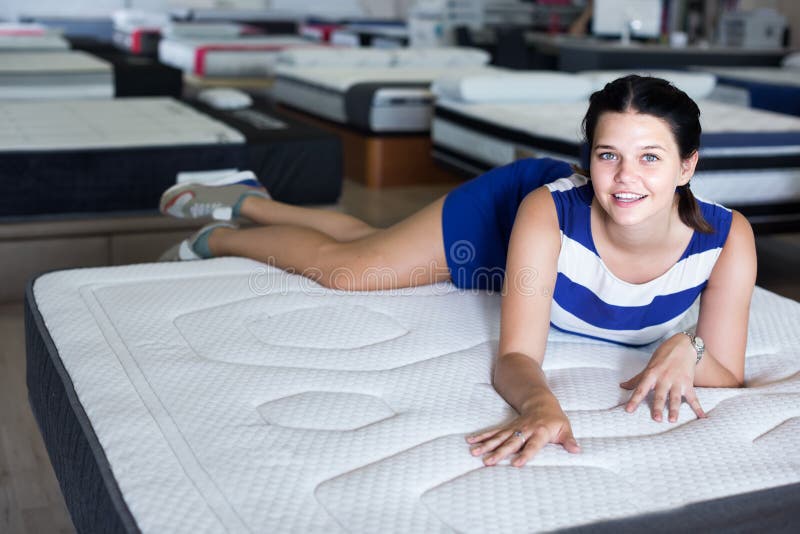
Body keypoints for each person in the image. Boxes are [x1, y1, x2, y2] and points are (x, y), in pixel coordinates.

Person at [159, 75, 756, 468]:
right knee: (355, 270)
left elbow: (726, 369)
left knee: (378, 246)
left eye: (650, 157)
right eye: (608, 155)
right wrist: (538, 404)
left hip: (548, 250)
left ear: (687, 166)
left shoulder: (727, 239)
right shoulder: (546, 210)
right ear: (589, 160)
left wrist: (688, 347)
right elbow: (516, 354)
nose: (626, 178)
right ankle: (222, 235)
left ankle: (249, 199)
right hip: (509, 221)